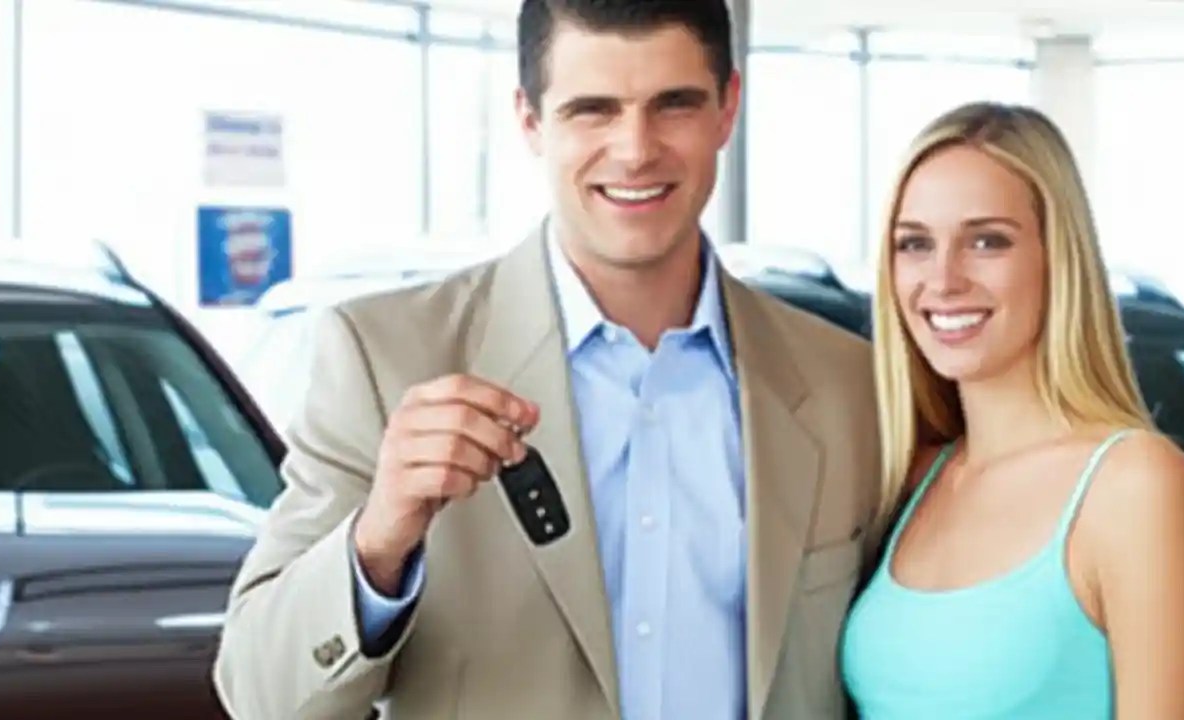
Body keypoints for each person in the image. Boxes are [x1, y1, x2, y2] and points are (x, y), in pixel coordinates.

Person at [212, 1, 881, 718]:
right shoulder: (384, 359)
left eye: (674, 105)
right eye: (593, 110)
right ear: (530, 121)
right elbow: (260, 698)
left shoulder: (848, 386)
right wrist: (378, 541)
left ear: (728, 109)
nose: (635, 150)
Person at [839, 102, 1184, 719]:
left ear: (1058, 256)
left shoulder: (1133, 484)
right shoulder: (915, 479)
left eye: (986, 241)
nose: (943, 278)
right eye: (915, 244)